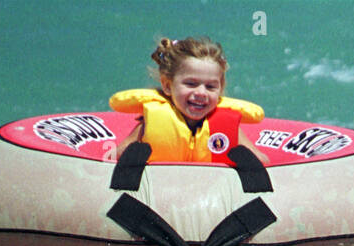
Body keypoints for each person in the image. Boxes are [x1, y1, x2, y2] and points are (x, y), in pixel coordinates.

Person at [111, 36, 269, 164]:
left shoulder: (227, 125)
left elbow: (262, 159)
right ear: (167, 85)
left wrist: (245, 163)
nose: (201, 92)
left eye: (210, 87)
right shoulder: (151, 120)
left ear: (220, 88)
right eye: (191, 84)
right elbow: (116, 155)